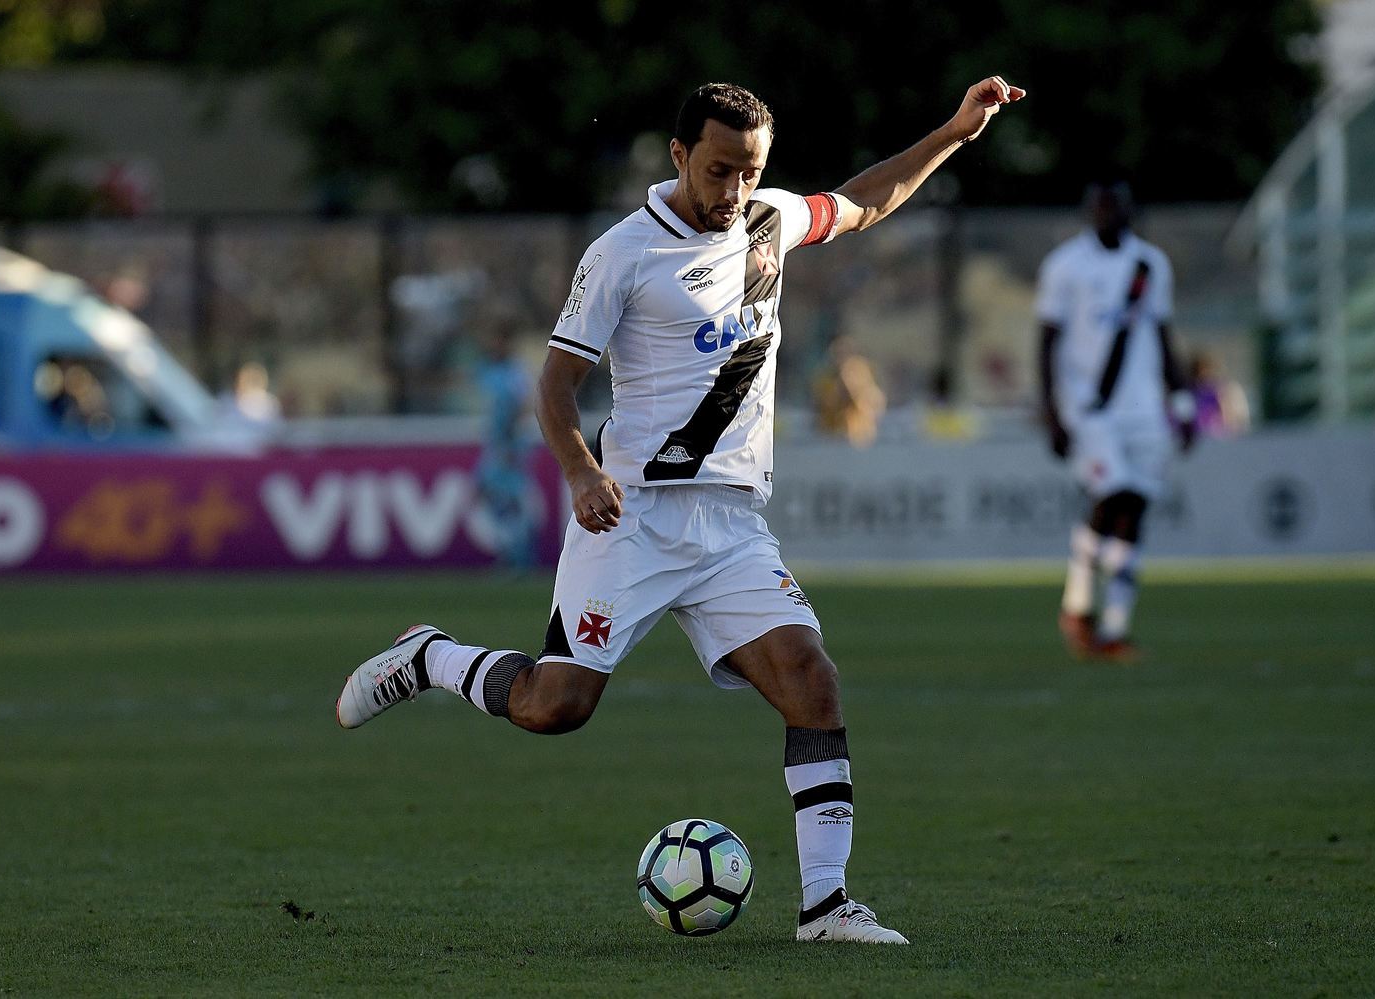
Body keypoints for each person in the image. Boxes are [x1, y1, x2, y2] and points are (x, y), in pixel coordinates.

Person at [338, 76, 1025, 944]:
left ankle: (825, 907)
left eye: (749, 171)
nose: (733, 192)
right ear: (678, 157)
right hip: (631, 517)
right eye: (717, 170)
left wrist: (955, 132)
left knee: (813, 682)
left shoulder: (769, 219)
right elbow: (556, 383)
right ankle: (430, 657)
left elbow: (861, 200)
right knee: (558, 705)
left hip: (731, 525)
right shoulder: (621, 252)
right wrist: (584, 473)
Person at [1036, 180, 1196, 663]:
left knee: (1135, 510)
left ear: (1130, 211)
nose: (1107, 214)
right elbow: (1045, 341)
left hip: (1144, 408)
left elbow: (1163, 335)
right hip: (1089, 408)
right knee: (1113, 496)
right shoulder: (1065, 266)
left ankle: (1115, 626)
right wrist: (1050, 411)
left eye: (1116, 206)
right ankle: (1078, 607)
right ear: (1088, 212)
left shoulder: (1151, 264)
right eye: (1100, 206)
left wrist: (1183, 403)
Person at [474, 322, 537, 570]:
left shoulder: (515, 373)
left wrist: (510, 444)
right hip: (495, 444)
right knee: (489, 493)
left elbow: (520, 407)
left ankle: (519, 556)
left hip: (510, 445)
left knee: (512, 499)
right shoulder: (488, 371)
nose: (495, 345)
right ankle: (512, 551)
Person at [812, 333, 886, 447]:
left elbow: (876, 403)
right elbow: (821, 408)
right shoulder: (825, 379)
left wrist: (855, 391)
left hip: (860, 439)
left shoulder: (862, 374)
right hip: (831, 439)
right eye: (838, 354)